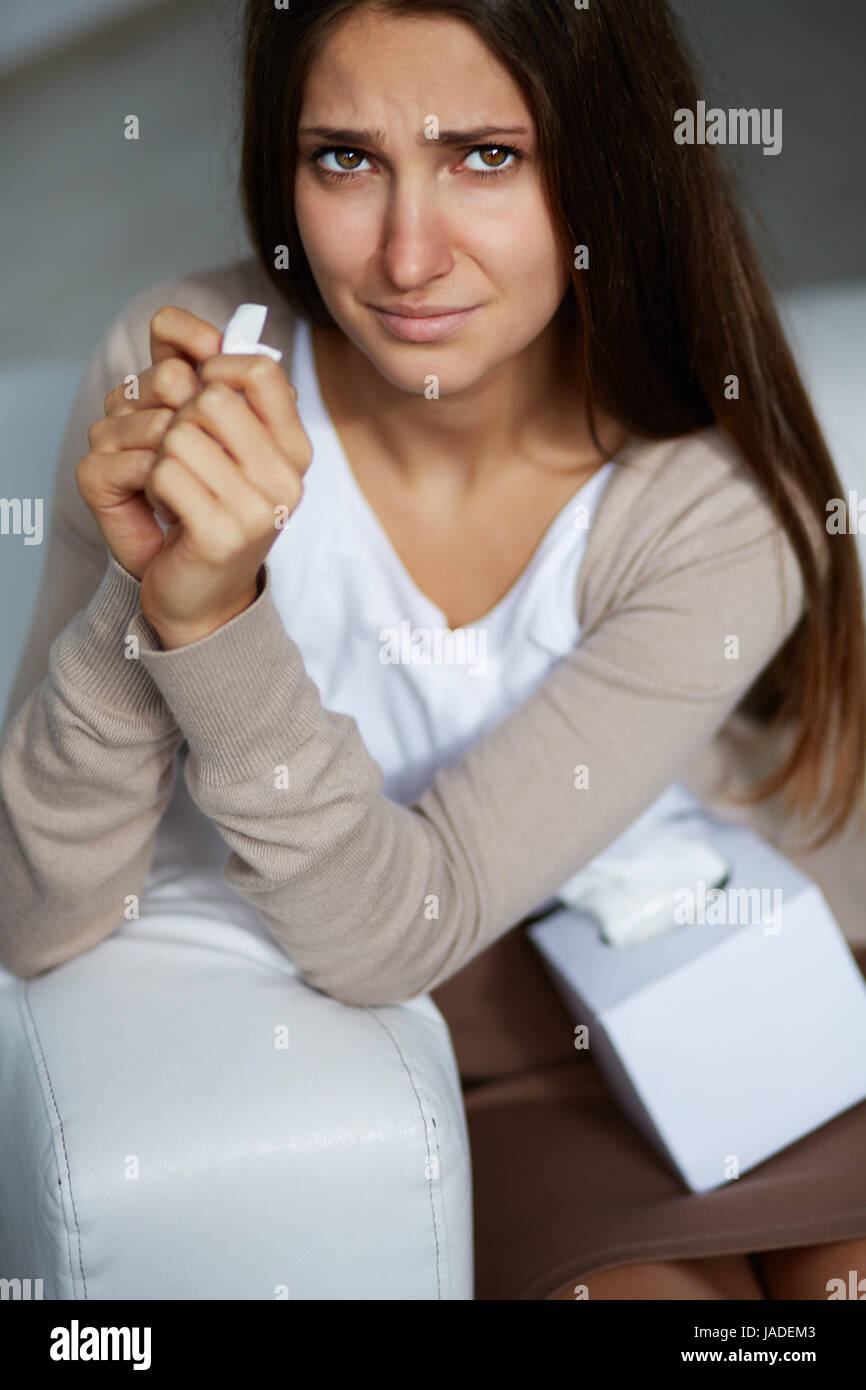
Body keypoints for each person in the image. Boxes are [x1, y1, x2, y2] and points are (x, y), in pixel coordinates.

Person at [2, 0, 866, 1301]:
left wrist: (220, 622)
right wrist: (173, 597)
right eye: (345, 157)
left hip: (756, 1007)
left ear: (607, 161)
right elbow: (32, 911)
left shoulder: (722, 510)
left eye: (485, 155)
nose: (408, 256)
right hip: (489, 1066)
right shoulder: (181, 365)